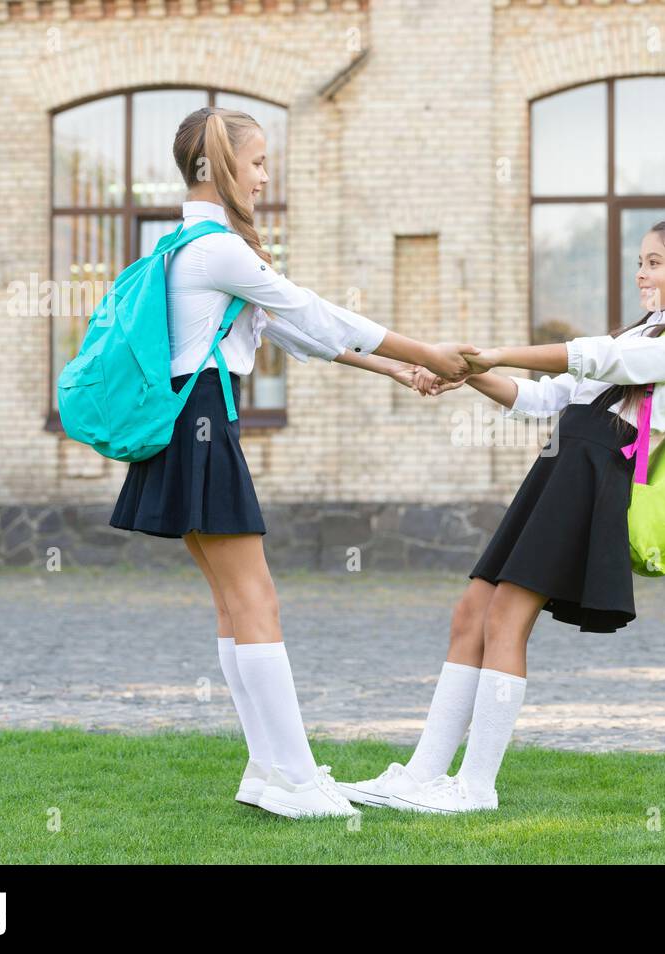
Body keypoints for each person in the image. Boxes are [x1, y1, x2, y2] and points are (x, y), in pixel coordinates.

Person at [107, 106, 478, 819]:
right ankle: (297, 778)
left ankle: (266, 767)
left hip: (189, 426)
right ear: (217, 167)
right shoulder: (218, 250)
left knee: (233, 604)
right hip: (203, 422)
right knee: (258, 601)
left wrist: (393, 372)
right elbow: (315, 311)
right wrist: (425, 351)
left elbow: (294, 330)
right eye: (256, 162)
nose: (266, 175)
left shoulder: (186, 246)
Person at [335, 217, 665, 813]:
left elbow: (596, 359)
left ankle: (475, 787)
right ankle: (422, 773)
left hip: (592, 477)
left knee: (506, 618)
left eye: (655, 262)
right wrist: (471, 375)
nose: (641, 272)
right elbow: (541, 398)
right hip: (560, 468)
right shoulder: (646, 333)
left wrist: (491, 353)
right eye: (641, 260)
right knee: (471, 610)